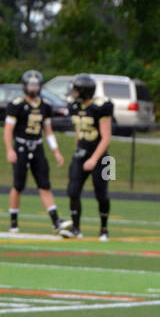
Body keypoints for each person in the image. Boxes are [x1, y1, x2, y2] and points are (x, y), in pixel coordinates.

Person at [3, 70, 65, 234]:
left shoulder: (45, 105)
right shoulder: (16, 104)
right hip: (21, 147)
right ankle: (13, 222)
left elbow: (48, 131)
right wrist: (10, 150)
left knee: (44, 185)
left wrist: (56, 151)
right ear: (24, 86)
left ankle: (55, 221)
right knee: (18, 185)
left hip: (37, 147)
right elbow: (8, 130)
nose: (33, 88)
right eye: (30, 85)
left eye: (36, 85)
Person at [58, 74, 113, 241]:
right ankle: (76, 229)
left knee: (102, 194)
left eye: (75, 90)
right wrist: (78, 150)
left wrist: (94, 159)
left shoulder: (101, 107)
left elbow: (106, 138)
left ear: (84, 91)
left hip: (104, 158)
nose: (73, 94)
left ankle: (104, 229)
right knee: (72, 190)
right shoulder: (75, 107)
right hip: (81, 154)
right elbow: (78, 132)